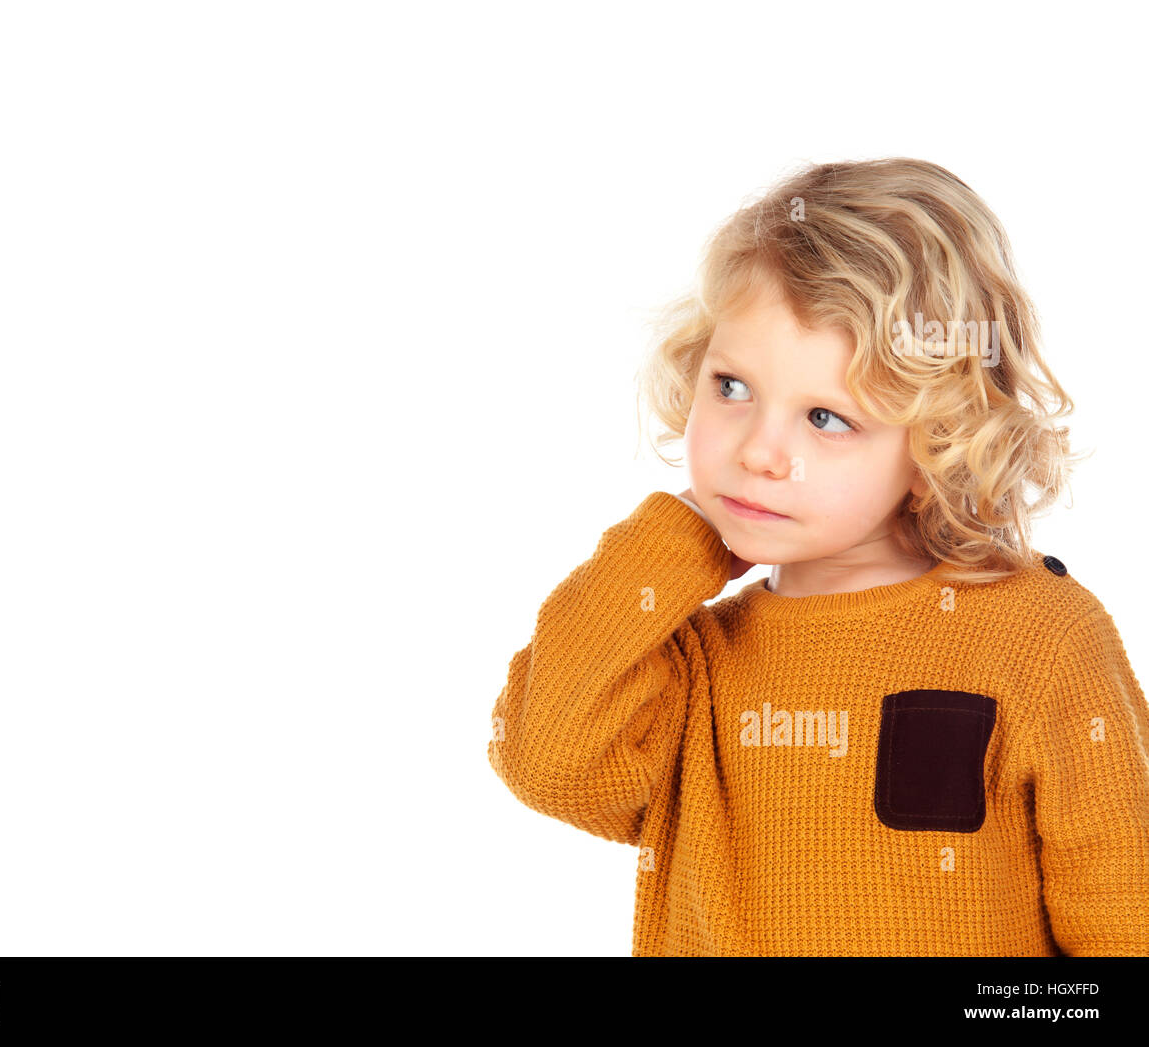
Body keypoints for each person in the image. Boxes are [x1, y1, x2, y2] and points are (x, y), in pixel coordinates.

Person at [486, 158, 1149, 956]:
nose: (761, 452)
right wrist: (679, 539)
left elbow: (1126, 923)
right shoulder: (691, 663)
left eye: (827, 418)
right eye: (731, 387)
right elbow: (543, 757)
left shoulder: (1043, 638)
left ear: (940, 440)